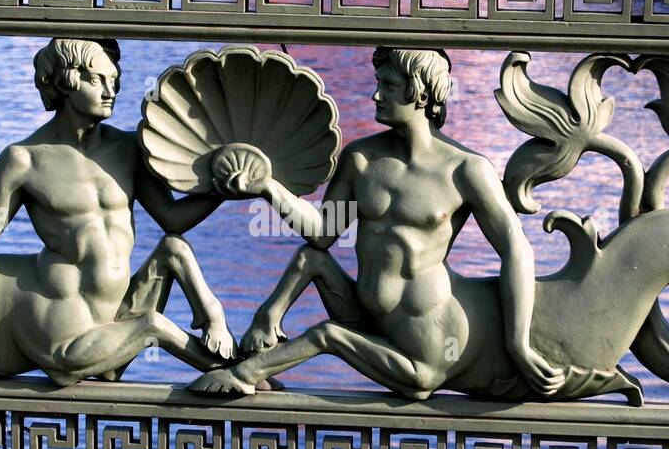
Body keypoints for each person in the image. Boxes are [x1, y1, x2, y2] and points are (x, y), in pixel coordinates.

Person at [190, 46, 567, 400]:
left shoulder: (466, 170)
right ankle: (263, 328)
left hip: (425, 346)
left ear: (421, 94)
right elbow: (322, 235)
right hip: (369, 317)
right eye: (377, 84)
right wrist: (269, 188)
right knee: (311, 260)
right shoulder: (361, 160)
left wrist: (518, 344)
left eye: (388, 86)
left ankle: (244, 374)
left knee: (328, 335)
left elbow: (516, 248)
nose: (375, 96)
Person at [0, 38, 234, 386]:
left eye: (114, 80)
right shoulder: (26, 159)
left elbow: (172, 218)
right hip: (65, 332)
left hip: (115, 316)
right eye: (97, 80)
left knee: (174, 249)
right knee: (152, 325)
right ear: (67, 81)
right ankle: (234, 369)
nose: (110, 90)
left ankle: (216, 327)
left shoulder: (129, 148)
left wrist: (222, 190)